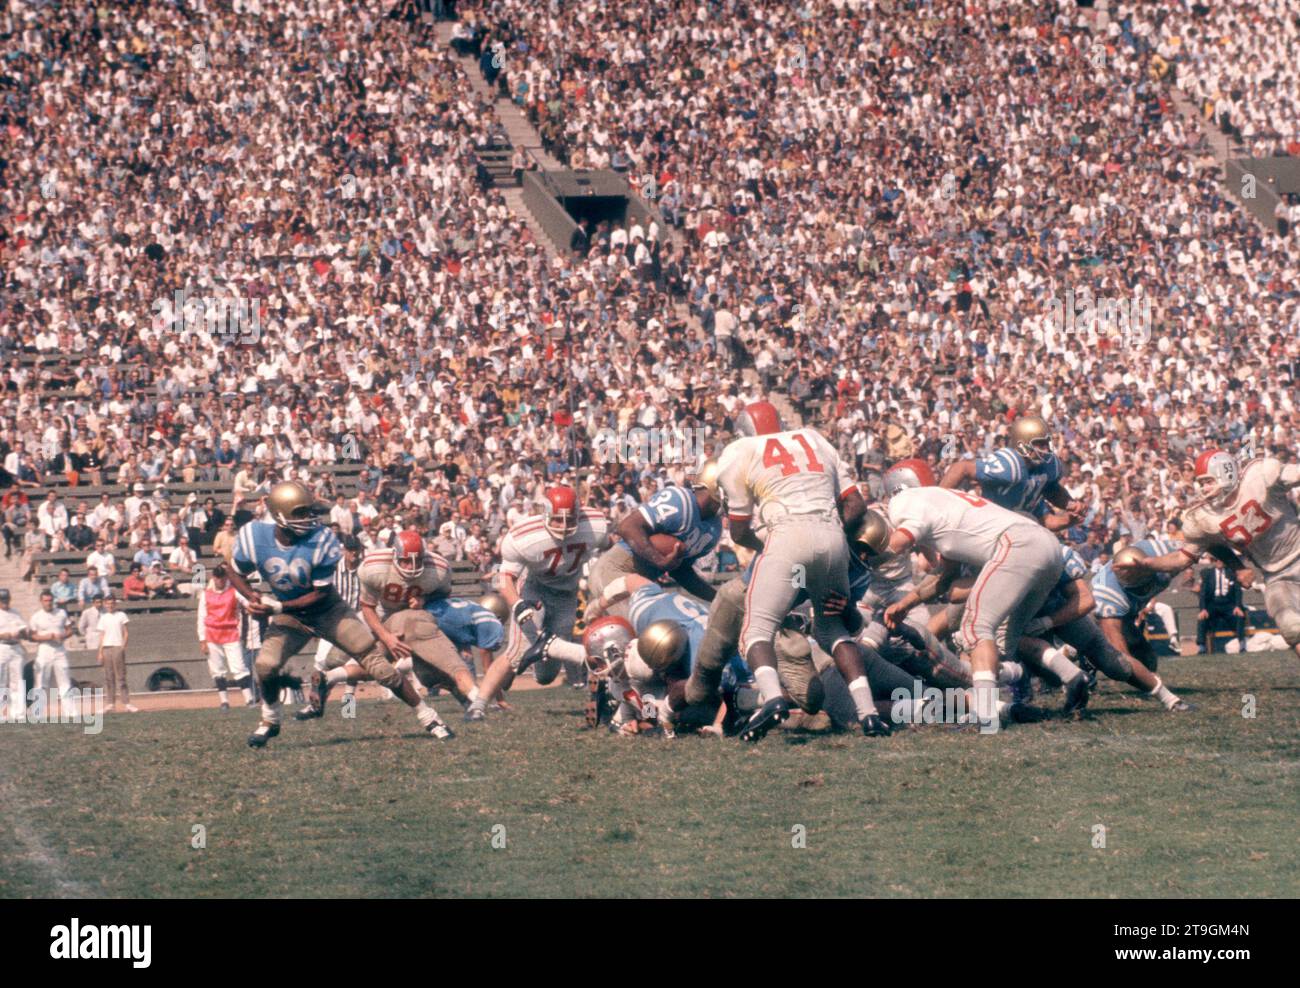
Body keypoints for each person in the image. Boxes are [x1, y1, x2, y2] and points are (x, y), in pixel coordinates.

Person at [198, 565, 257, 710]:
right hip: (212, 634)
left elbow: (247, 602)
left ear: (226, 578)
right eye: (217, 577)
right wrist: (202, 639)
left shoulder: (234, 592)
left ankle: (249, 699)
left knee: (238, 666)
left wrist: (251, 606)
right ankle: (224, 701)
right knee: (217, 668)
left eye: (222, 577)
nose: (219, 580)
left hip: (230, 633)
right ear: (213, 578)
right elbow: (201, 617)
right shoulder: (206, 594)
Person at [28, 590, 74, 709]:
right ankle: (38, 712)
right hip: (44, 649)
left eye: (50, 600)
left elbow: (70, 630)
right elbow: (31, 636)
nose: (48, 603)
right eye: (46, 601)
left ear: (53, 600)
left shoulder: (61, 613)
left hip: (59, 650)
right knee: (41, 682)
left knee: (65, 682)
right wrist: (46, 637)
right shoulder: (36, 617)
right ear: (41, 601)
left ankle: (71, 713)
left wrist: (62, 636)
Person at [1197, 556, 1247, 654]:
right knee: (1202, 618)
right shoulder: (1208, 574)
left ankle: (1242, 644)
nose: (1219, 561)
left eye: (1220, 559)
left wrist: (1237, 606)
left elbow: (1237, 591)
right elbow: (1203, 593)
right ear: (1213, 561)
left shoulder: (1231, 573)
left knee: (1239, 616)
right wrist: (1203, 608)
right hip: (1213, 604)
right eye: (1216, 560)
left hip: (1228, 604)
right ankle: (1201, 646)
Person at [97, 595, 136, 713]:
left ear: (115, 604)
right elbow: (102, 636)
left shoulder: (121, 615)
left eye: (112, 603)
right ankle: (110, 704)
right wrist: (100, 652)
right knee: (109, 677)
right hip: (106, 648)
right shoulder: (103, 617)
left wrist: (122, 647)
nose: (110, 605)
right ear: (105, 604)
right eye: (108, 603)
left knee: (121, 677)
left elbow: (126, 633)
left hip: (117, 647)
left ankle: (127, 703)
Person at [0, 589, 29, 722]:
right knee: (1, 681)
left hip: (16, 647)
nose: (5, 602)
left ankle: (18, 714)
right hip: (2, 646)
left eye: (6, 600)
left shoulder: (15, 612)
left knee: (17, 682)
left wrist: (22, 632)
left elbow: (24, 629)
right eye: (2, 600)